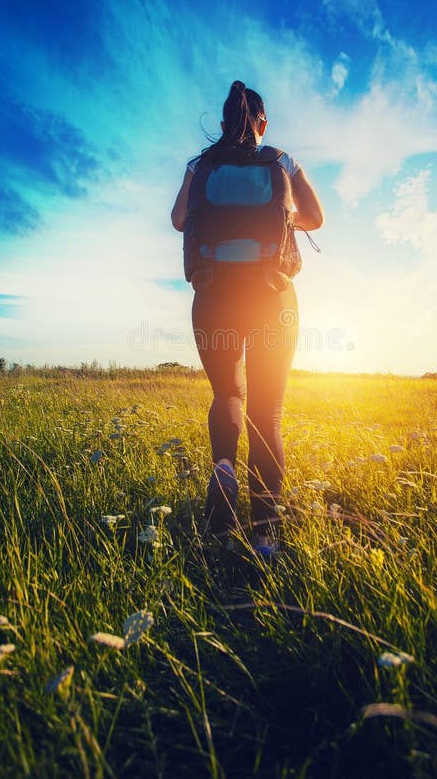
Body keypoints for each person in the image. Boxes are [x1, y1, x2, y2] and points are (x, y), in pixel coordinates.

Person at [171, 80, 324, 557]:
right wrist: (280, 216)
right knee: (266, 411)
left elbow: (179, 219)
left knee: (227, 395)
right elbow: (315, 217)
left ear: (223, 124)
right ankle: (264, 536)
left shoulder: (201, 165)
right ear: (263, 124)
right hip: (272, 298)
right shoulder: (282, 160)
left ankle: (224, 473)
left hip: (213, 297)